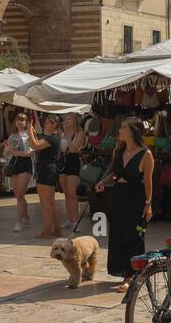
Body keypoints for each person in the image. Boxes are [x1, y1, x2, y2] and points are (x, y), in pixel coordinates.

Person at [96, 117, 154, 287]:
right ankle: (122, 270)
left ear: (132, 132)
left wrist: (148, 204)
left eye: (123, 128)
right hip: (118, 196)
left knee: (133, 235)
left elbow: (148, 182)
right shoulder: (118, 151)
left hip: (135, 198)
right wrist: (102, 183)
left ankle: (130, 275)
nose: (119, 131)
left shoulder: (146, 154)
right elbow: (114, 175)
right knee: (118, 234)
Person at [28, 113, 63, 239]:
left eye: (48, 122)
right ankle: (57, 229)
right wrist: (32, 133)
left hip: (47, 171)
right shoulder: (51, 137)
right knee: (50, 203)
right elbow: (36, 143)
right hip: (47, 170)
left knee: (46, 203)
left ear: (54, 124)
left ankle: (47, 231)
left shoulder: (52, 138)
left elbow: (35, 145)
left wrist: (29, 130)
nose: (45, 123)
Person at [3, 110, 34, 231]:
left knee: (20, 194)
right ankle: (26, 217)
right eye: (18, 120)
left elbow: (28, 153)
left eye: (22, 120)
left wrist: (13, 151)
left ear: (26, 122)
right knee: (18, 195)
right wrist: (6, 149)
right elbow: (7, 152)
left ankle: (19, 221)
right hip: (14, 164)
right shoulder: (13, 135)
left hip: (24, 164)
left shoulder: (27, 134)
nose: (20, 122)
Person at [60, 111, 87, 230]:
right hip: (63, 161)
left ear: (75, 120)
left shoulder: (79, 133)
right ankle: (69, 219)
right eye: (65, 119)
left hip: (73, 160)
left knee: (72, 194)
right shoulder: (61, 132)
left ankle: (75, 220)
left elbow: (74, 149)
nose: (67, 121)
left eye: (69, 119)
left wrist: (67, 137)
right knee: (65, 193)